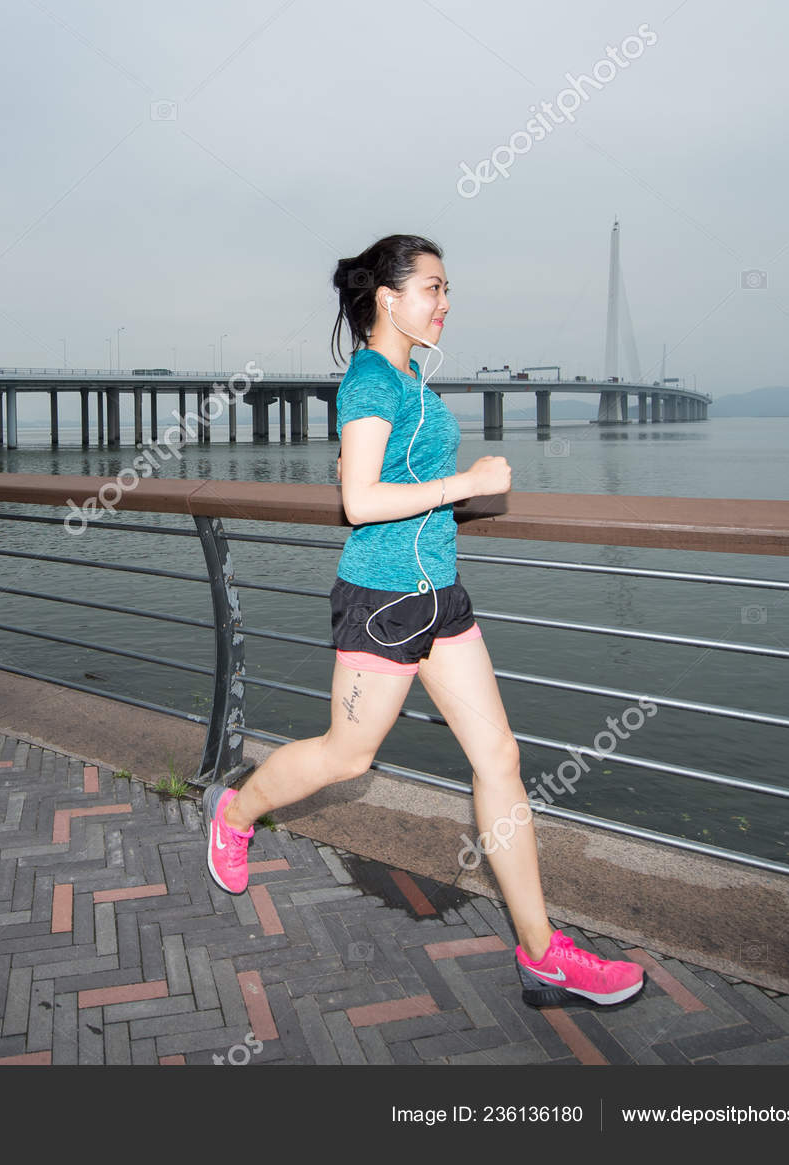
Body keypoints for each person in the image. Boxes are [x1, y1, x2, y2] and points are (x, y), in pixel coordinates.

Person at [201, 234, 644, 1010]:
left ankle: (543, 954)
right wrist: (464, 480)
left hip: (440, 593)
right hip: (383, 601)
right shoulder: (373, 378)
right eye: (433, 287)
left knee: (499, 757)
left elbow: (364, 471)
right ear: (388, 299)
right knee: (348, 756)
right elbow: (361, 502)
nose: (445, 303)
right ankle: (234, 812)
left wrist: (453, 488)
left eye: (447, 289)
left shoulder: (409, 378)